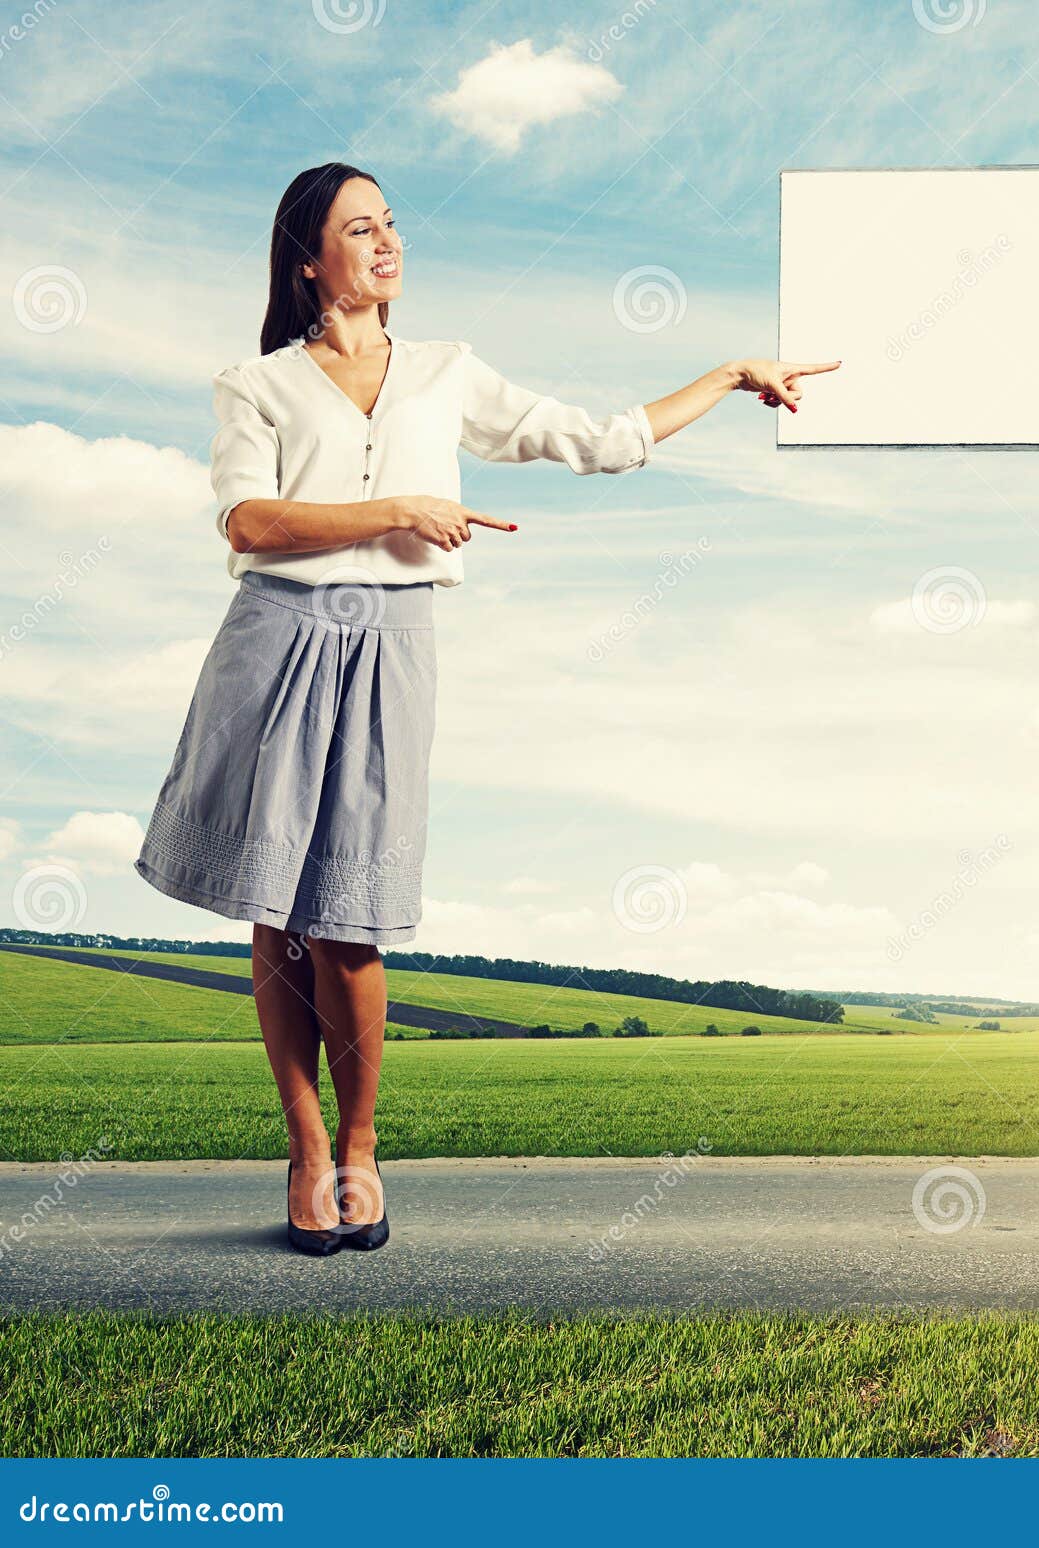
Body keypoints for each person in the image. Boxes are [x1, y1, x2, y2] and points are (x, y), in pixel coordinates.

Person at [134, 160, 839, 1255]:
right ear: (306, 256)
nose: (387, 244)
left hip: (392, 645)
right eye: (360, 229)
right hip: (272, 641)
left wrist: (726, 374)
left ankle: (363, 1146)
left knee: (353, 926)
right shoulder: (256, 382)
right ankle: (307, 1150)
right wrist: (403, 506)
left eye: (392, 225)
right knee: (278, 915)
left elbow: (600, 440)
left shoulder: (445, 371)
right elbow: (247, 522)